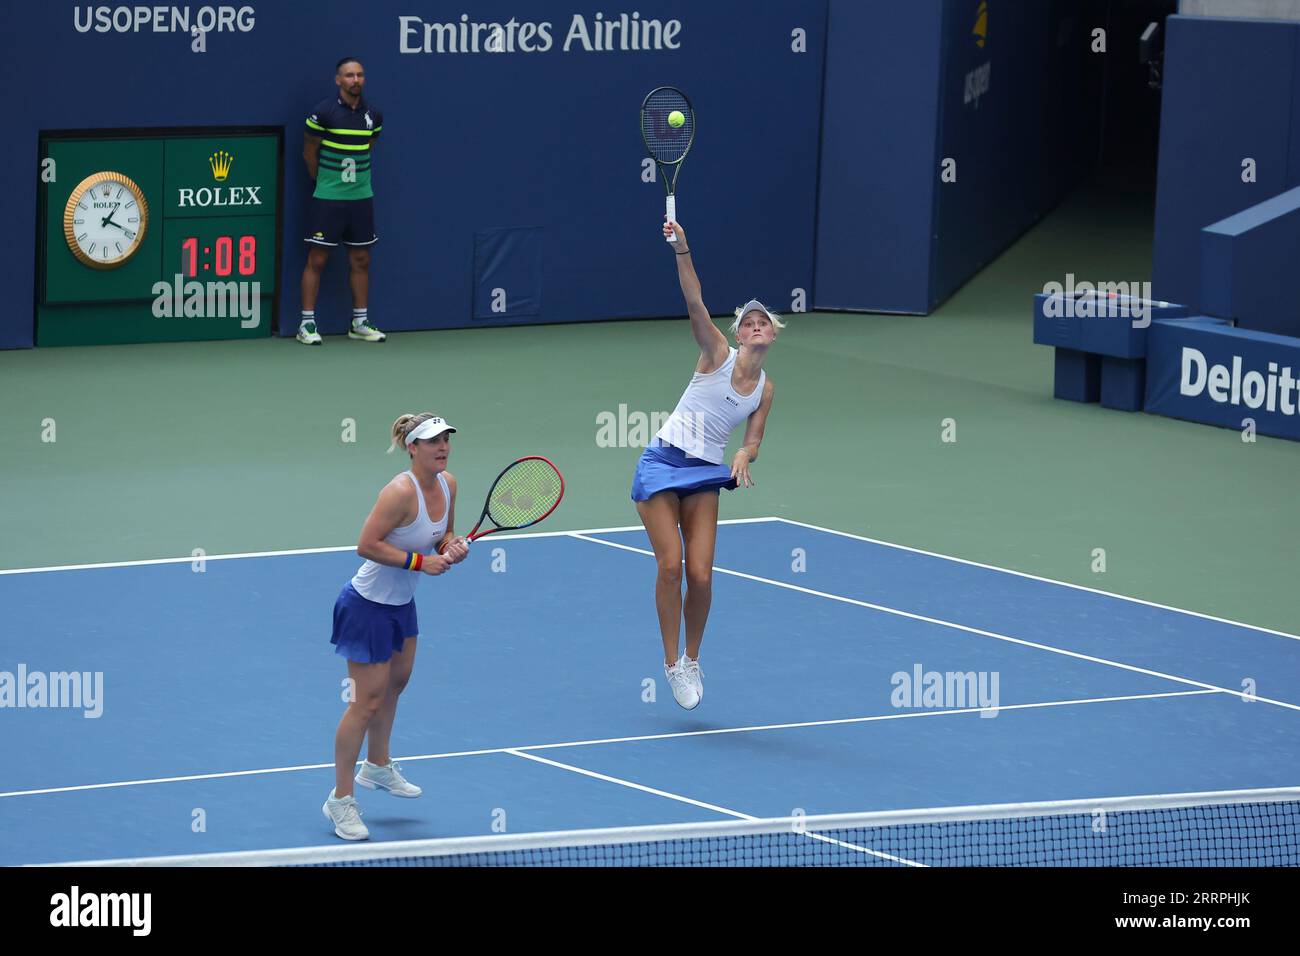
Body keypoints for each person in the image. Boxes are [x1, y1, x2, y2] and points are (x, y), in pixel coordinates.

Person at [631, 218, 780, 710]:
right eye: (749, 322)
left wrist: (744, 452)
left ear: (772, 335)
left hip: (705, 475)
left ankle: (692, 659)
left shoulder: (766, 389)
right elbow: (694, 300)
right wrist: (683, 250)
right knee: (670, 565)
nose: (756, 326)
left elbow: (753, 440)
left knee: (701, 575)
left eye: (764, 322)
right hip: (662, 462)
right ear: (738, 334)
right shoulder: (715, 352)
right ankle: (671, 663)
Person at [322, 413, 470, 840]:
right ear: (412, 448)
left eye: (445, 440)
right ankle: (341, 800)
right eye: (431, 441)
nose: (441, 447)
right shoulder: (399, 492)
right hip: (366, 607)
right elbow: (365, 545)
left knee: (396, 685)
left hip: (402, 604)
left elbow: (442, 534)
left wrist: (450, 546)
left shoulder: (449, 484)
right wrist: (422, 561)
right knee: (364, 703)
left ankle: (378, 765)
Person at [298, 57, 387, 345]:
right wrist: (321, 183)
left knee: (361, 259)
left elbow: (368, 147)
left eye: (360, 74)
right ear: (338, 80)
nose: (355, 80)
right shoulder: (323, 112)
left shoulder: (374, 115)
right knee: (317, 259)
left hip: (361, 199)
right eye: (349, 75)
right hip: (328, 198)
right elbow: (309, 152)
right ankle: (306, 325)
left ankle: (359, 322)